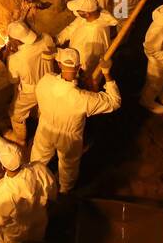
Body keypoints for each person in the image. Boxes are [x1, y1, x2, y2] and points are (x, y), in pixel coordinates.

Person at [31, 47, 121, 193]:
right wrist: (107, 73)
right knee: (68, 167)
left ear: (59, 65)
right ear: (79, 67)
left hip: (45, 129)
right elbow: (114, 102)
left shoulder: (45, 81)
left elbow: (54, 80)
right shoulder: (82, 98)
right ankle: (64, 191)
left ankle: (33, 183)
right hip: (69, 138)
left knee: (38, 158)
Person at [0, 136, 57, 243]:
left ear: (3, 166)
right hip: (38, 217)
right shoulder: (39, 169)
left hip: (16, 230)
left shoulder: (1, 193)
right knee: (36, 242)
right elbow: (52, 190)